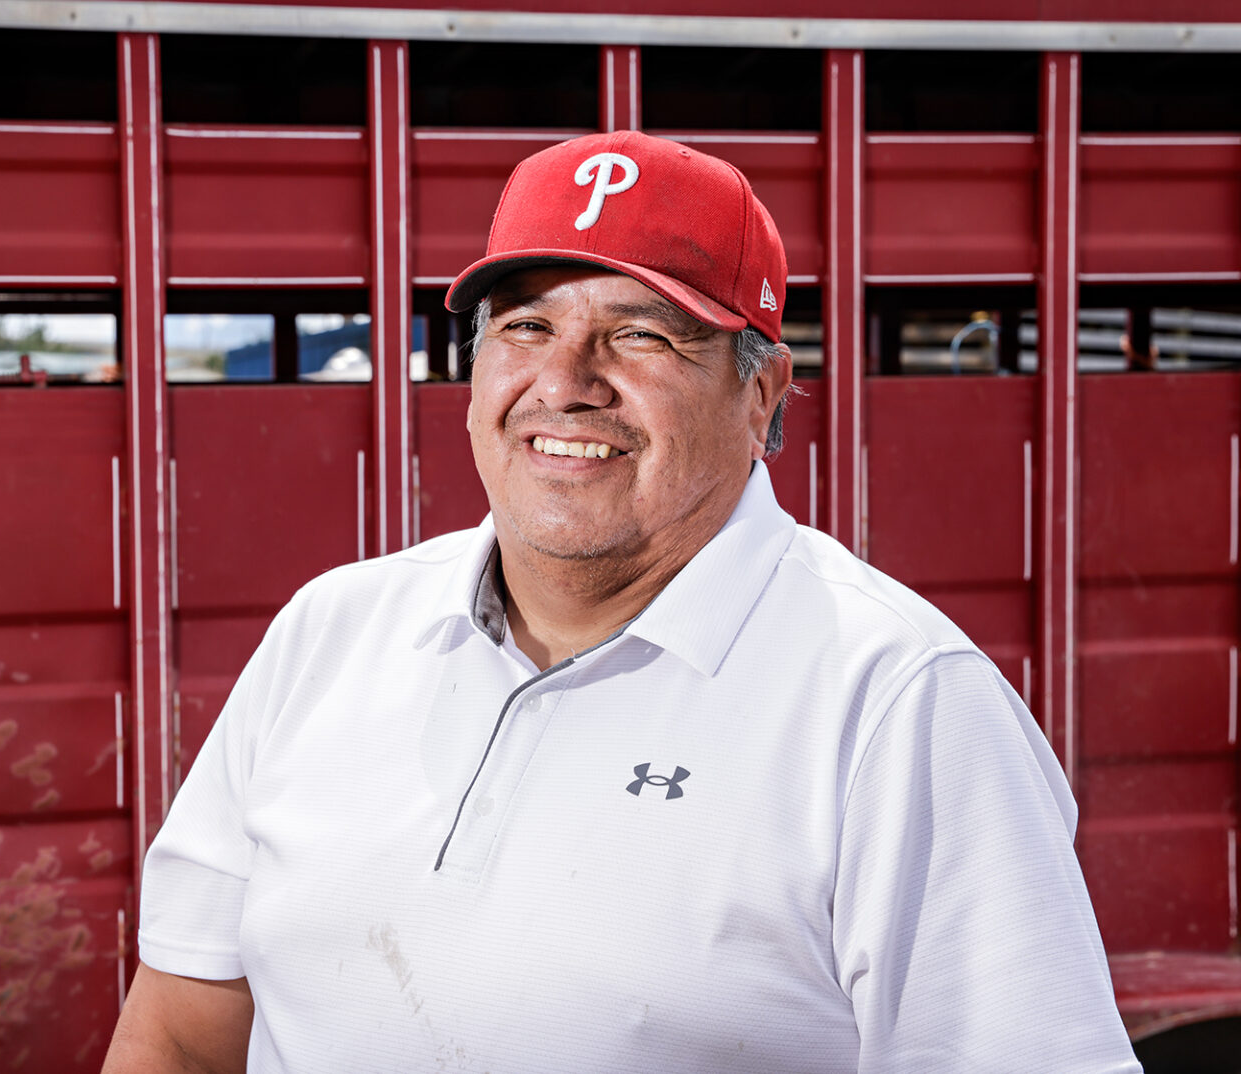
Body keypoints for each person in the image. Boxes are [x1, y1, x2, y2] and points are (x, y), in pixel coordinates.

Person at [102, 131, 1141, 1073]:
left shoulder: (897, 701)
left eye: (641, 335)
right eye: (526, 324)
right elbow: (183, 1034)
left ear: (761, 395)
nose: (565, 381)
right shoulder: (331, 632)